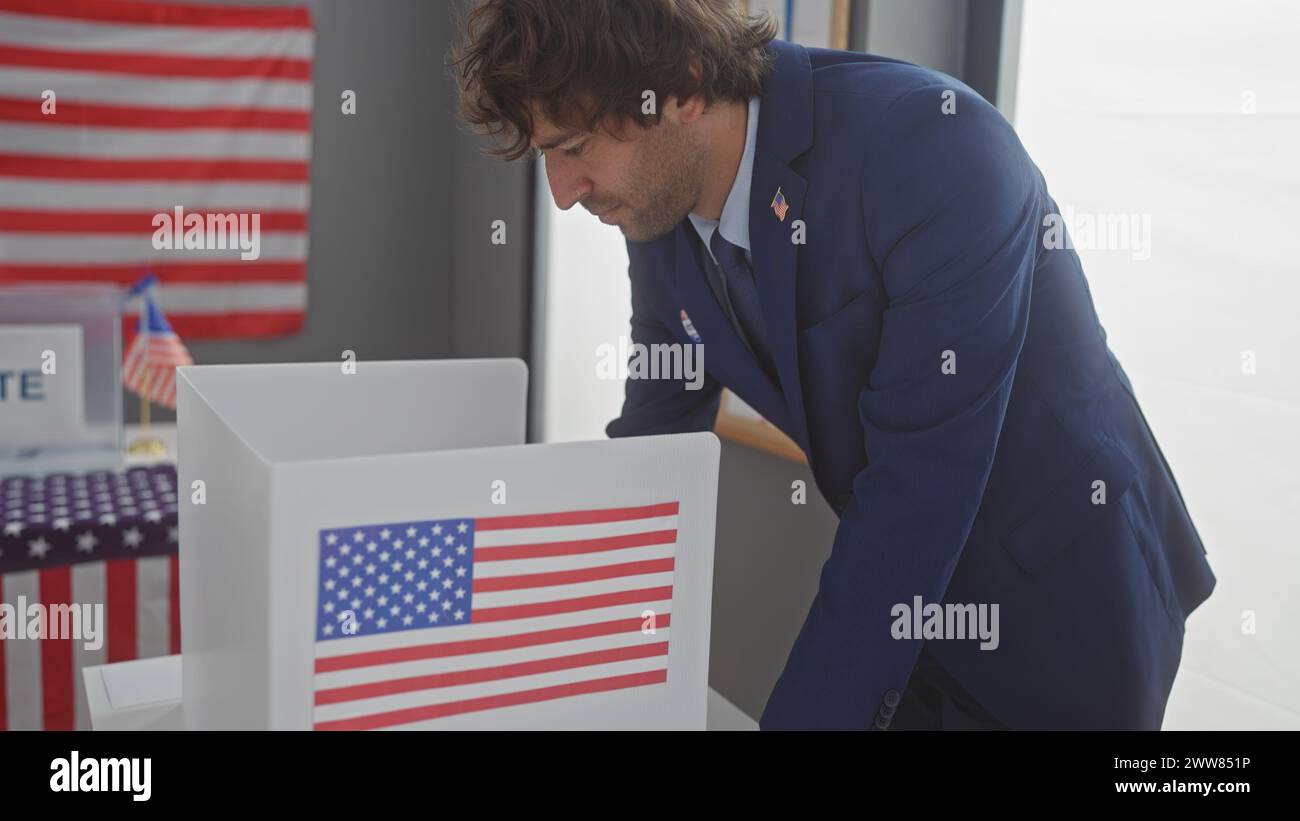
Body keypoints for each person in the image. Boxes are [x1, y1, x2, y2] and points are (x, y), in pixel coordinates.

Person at [451, 0, 1216, 730]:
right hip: (905, 618)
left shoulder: (935, 149)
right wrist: (566, 661)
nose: (561, 193)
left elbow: (914, 494)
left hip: (1067, 603)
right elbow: (655, 443)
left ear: (681, 86)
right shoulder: (657, 206)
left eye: (575, 147)